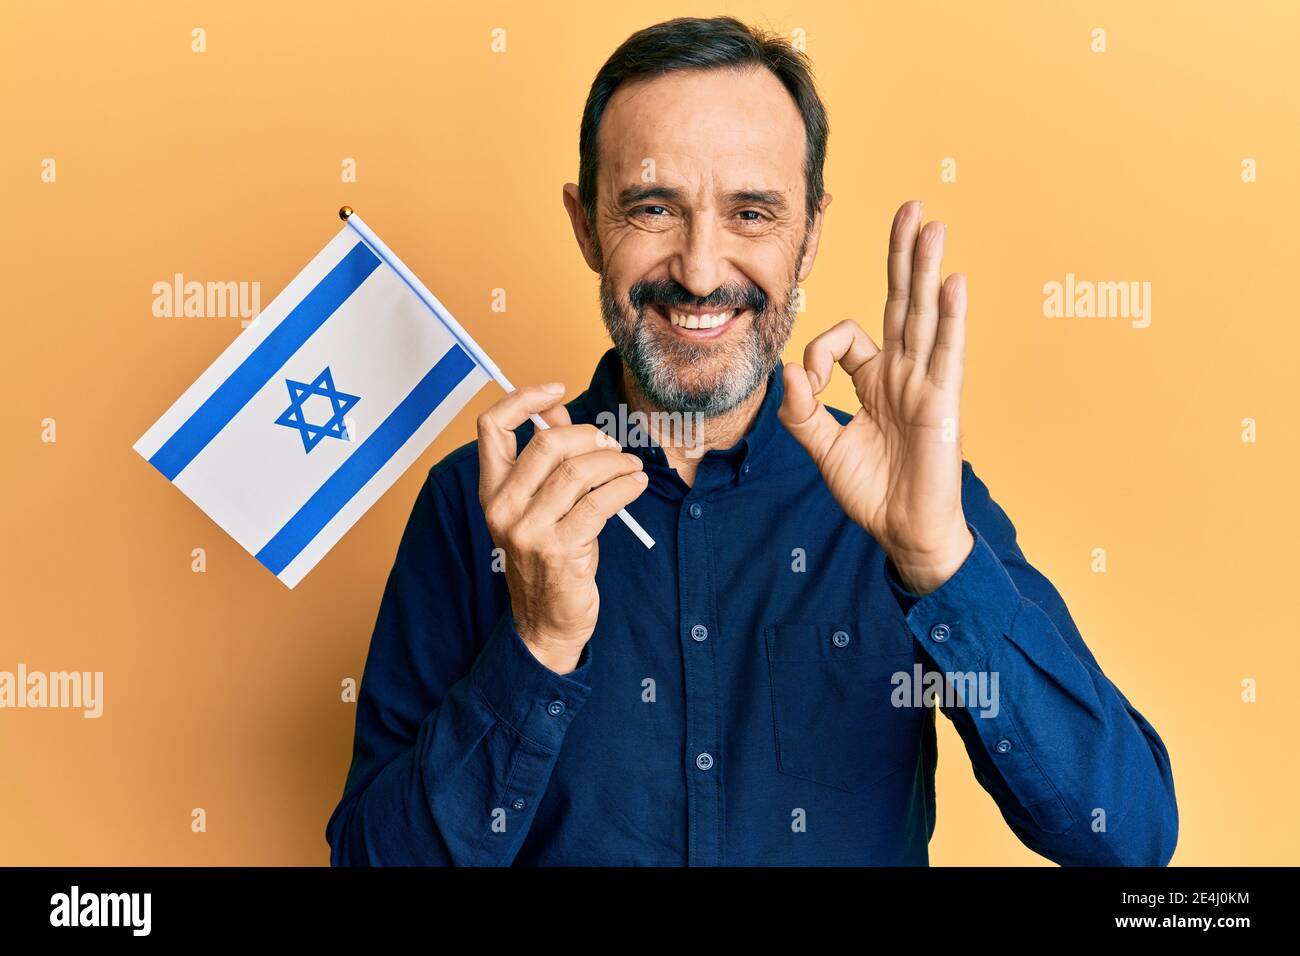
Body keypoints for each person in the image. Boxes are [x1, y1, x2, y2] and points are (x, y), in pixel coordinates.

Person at [326, 15, 1178, 866]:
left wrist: (941, 567)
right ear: (586, 227)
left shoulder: (914, 499)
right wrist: (538, 646)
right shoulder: (480, 503)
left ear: (809, 233)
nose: (700, 270)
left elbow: (1128, 838)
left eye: (752, 213)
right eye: (653, 208)